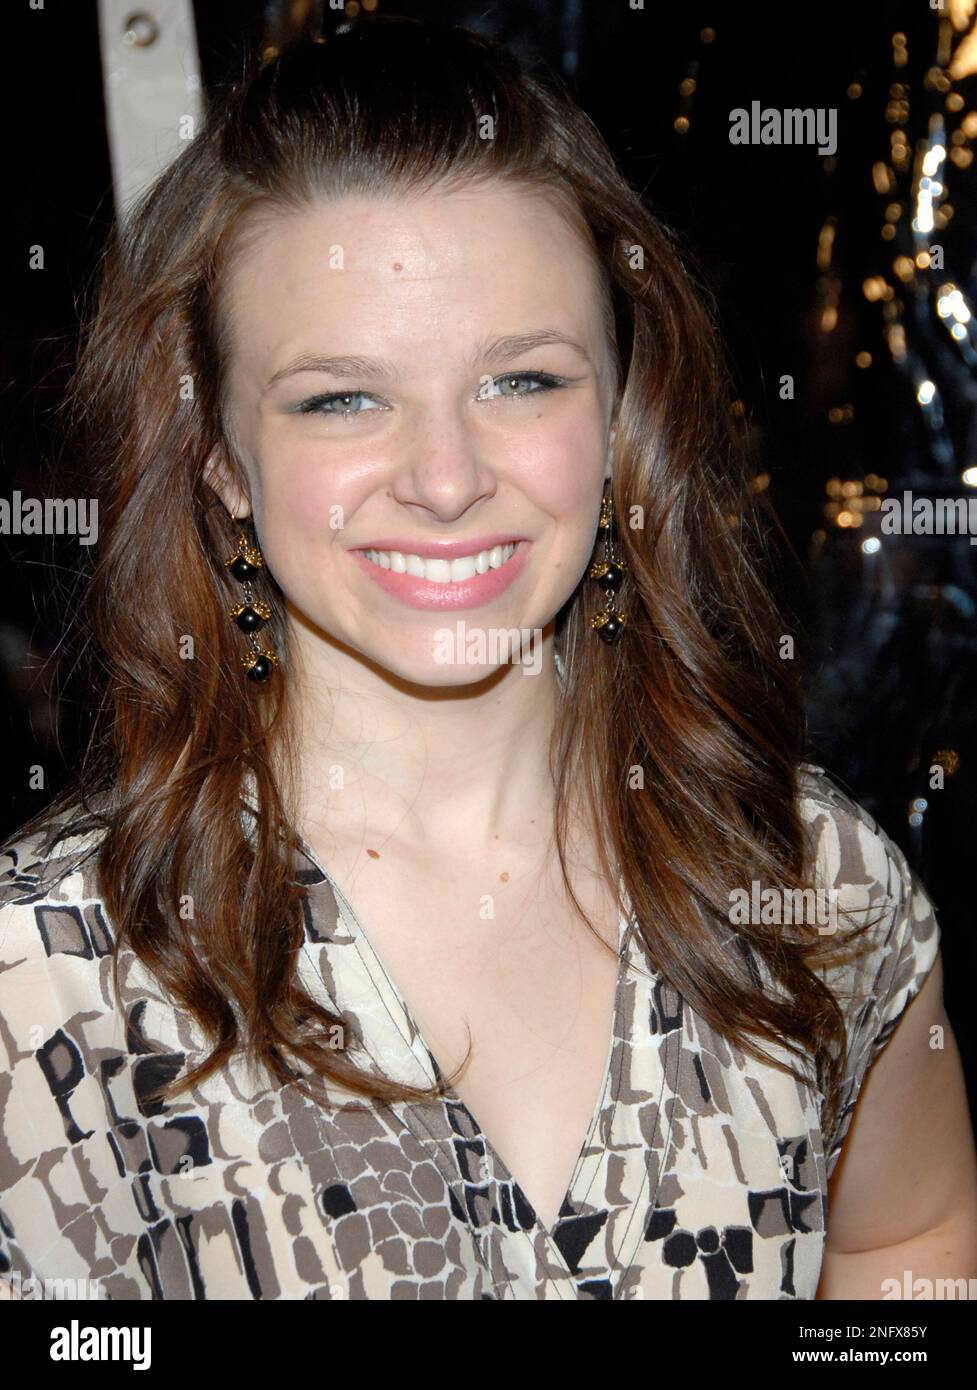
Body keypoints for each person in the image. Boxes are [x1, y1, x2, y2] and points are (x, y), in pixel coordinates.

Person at [1, 15, 974, 1302]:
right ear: (217, 457)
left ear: (621, 415)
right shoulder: (43, 975)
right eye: (339, 397)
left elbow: (908, 1239)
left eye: (521, 381)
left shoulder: (814, 884)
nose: (447, 479)